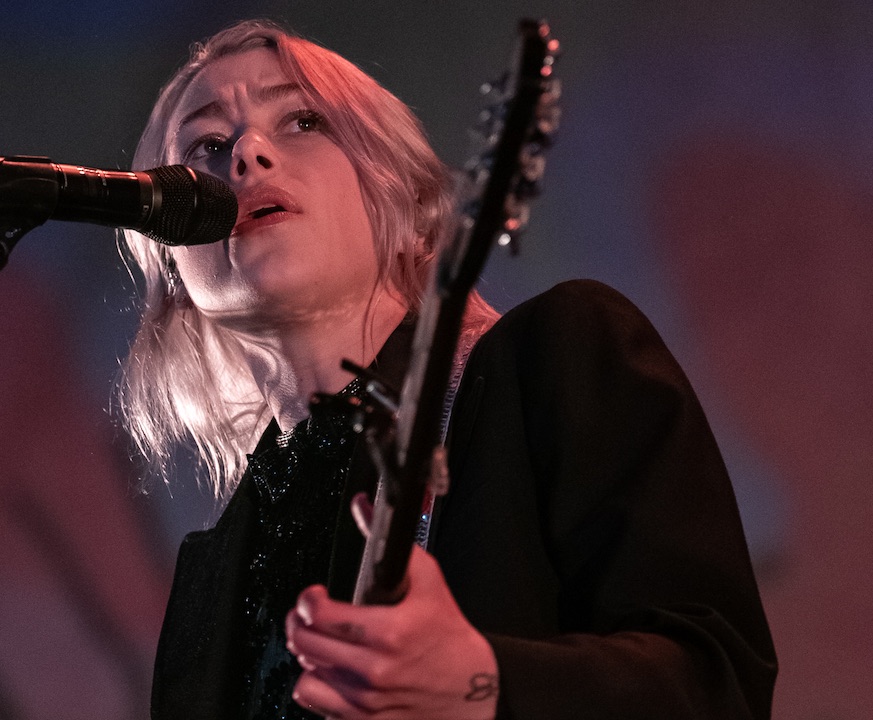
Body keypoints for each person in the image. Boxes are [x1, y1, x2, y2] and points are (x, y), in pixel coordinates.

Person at [119, 19, 776, 720]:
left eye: (303, 120)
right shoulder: (210, 574)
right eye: (207, 146)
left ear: (397, 196)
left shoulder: (556, 360)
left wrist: (486, 684)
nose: (246, 155)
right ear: (172, 265)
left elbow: (719, 683)